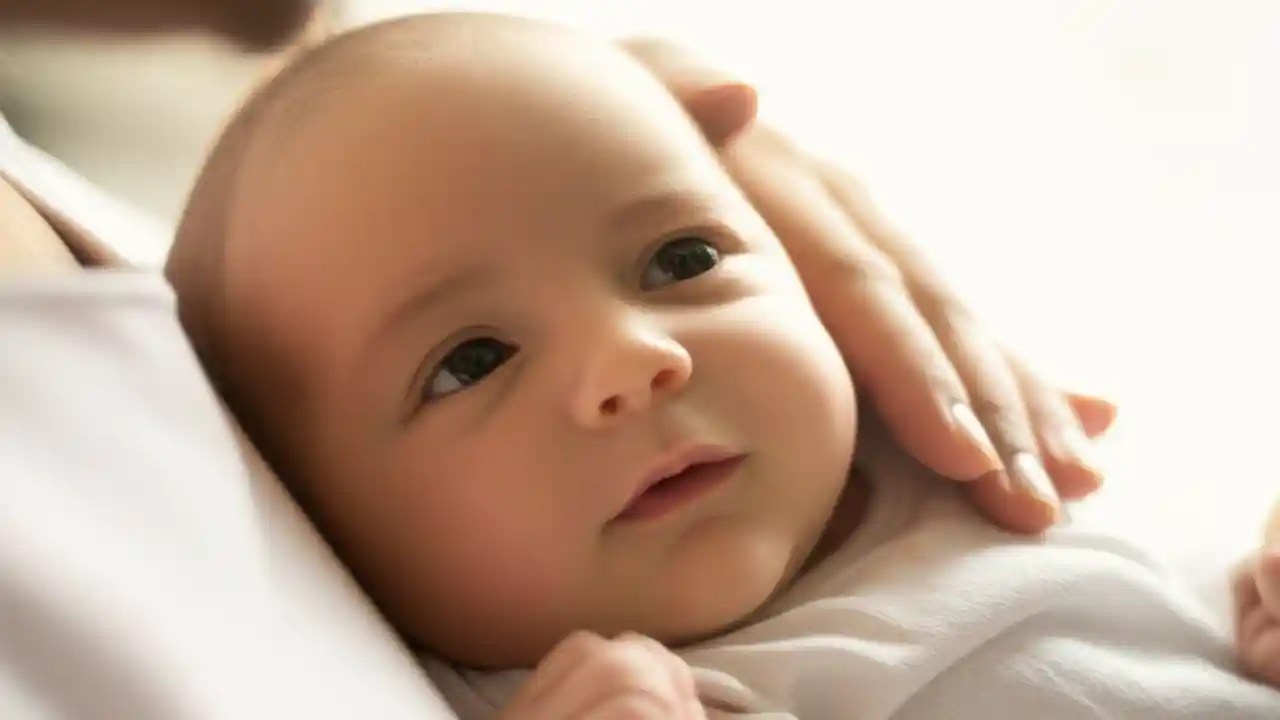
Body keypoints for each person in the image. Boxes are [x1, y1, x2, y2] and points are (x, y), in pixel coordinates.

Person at [164, 13, 1280, 718]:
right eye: (472, 362)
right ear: (315, 530)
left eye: (681, 259)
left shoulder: (966, 455)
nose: (636, 356)